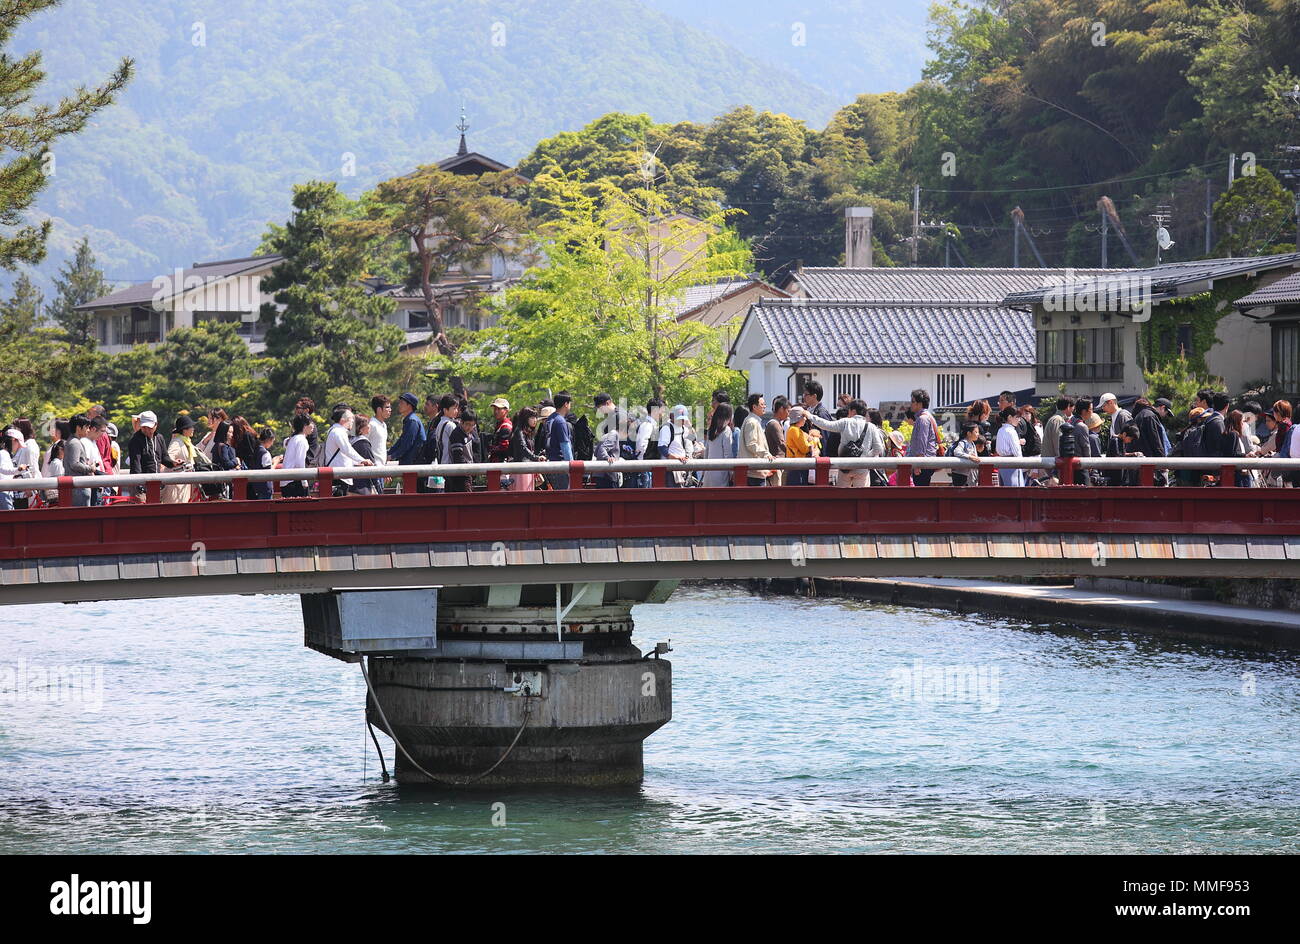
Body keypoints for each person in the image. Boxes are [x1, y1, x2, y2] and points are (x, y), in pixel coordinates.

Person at [807, 399, 874, 488]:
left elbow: (826, 425)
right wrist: (866, 457)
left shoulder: (846, 422)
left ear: (853, 411)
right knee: (862, 496)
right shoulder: (871, 426)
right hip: (862, 467)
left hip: (845, 466)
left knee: (842, 497)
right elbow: (878, 448)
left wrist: (810, 416)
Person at [323, 407, 373, 495]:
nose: (353, 421)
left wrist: (356, 462)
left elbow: (344, 453)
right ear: (343, 420)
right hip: (339, 476)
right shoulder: (338, 432)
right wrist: (362, 460)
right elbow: (347, 450)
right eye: (351, 419)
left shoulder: (335, 431)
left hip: (339, 474)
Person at [905, 389, 941, 485]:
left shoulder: (922, 419)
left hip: (923, 464)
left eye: (913, 402)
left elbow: (921, 442)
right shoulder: (928, 416)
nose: (911, 404)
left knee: (920, 494)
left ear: (919, 404)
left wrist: (918, 464)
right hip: (926, 463)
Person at [738, 393, 773, 486]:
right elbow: (751, 444)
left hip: (753, 470)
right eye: (762, 404)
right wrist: (766, 454)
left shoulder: (751, 420)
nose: (765, 406)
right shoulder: (752, 422)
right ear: (754, 406)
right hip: (754, 472)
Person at [388, 392, 427, 474]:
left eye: (402, 403)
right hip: (410, 463)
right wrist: (389, 453)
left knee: (411, 486)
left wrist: (392, 456)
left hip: (413, 464)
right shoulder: (409, 419)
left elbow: (407, 443)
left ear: (409, 405)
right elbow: (401, 441)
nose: (399, 405)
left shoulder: (412, 421)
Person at [163, 416, 197, 504]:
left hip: (183, 484)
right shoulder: (177, 442)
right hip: (176, 485)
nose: (193, 429)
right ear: (184, 430)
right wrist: (175, 462)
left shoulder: (186, 441)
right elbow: (169, 458)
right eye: (191, 427)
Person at [784, 406, 821, 485]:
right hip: (796, 466)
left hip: (797, 465)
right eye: (803, 417)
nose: (805, 419)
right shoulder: (794, 430)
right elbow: (805, 448)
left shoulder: (796, 429)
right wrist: (815, 440)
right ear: (798, 418)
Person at [544, 394, 574, 489]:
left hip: (551, 463)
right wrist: (572, 466)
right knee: (564, 498)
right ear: (566, 404)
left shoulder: (550, 418)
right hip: (561, 465)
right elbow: (565, 446)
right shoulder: (560, 421)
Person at [702, 402, 735, 487]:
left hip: (708, 472)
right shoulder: (726, 430)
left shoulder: (711, 429)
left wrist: (704, 470)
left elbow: (706, 452)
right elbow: (728, 454)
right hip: (721, 474)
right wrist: (732, 473)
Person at [445, 411, 479, 493]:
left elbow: (477, 452)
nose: (469, 427)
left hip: (470, 471)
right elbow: (458, 457)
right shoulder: (456, 434)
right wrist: (467, 472)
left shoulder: (472, 433)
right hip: (460, 474)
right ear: (461, 422)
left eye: (472, 425)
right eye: (467, 424)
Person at [281, 413, 314, 497]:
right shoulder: (302, 440)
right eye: (311, 423)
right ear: (304, 426)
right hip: (295, 481)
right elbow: (299, 462)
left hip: (286, 481)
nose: (313, 426)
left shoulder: (293, 439)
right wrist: (304, 481)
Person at [509, 407, 540, 492]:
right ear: (525, 418)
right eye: (532, 417)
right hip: (521, 470)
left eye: (536, 417)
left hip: (527, 468)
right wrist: (536, 458)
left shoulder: (528, 432)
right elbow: (523, 448)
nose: (535, 420)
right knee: (523, 494)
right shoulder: (519, 432)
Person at [592, 410, 623, 489]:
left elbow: (596, 453)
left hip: (601, 475)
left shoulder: (606, 435)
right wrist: (607, 457)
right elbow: (602, 449)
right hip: (608, 475)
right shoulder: (613, 433)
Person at [995, 406, 1024, 486]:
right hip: (1012, 464)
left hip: (1002, 464)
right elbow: (1017, 452)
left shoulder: (1000, 430)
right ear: (1010, 417)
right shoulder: (1011, 431)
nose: (1019, 420)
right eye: (1017, 417)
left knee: (1004, 493)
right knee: (1016, 492)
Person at [764, 396, 790, 486]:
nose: (788, 413)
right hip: (776, 465)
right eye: (788, 410)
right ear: (781, 409)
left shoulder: (774, 423)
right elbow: (782, 443)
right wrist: (794, 453)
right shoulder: (774, 424)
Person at [349, 414, 377, 494]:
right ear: (360, 429)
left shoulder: (350, 440)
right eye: (367, 424)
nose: (369, 426)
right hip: (362, 487)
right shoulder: (363, 443)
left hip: (350, 484)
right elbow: (371, 465)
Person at [1042, 396, 1074, 461]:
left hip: (1050, 461)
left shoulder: (1055, 418)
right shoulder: (1058, 420)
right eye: (1073, 407)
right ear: (1068, 406)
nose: (1073, 410)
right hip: (1052, 463)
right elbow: (1058, 444)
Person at [250, 428, 276, 499]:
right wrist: (276, 462)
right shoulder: (265, 453)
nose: (272, 444)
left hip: (256, 487)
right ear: (269, 440)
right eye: (272, 441)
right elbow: (269, 472)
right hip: (265, 489)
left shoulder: (256, 450)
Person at [487, 397, 513, 466]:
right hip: (497, 463)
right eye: (495, 409)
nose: (496, 411)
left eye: (499, 409)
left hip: (502, 464)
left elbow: (504, 447)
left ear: (506, 411)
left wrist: (490, 448)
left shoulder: (505, 426)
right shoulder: (500, 424)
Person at [368, 395, 392, 468]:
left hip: (382, 467)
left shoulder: (384, 425)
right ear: (379, 409)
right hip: (372, 468)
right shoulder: (371, 424)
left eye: (390, 407)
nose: (390, 409)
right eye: (387, 407)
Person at [41, 440, 65, 506]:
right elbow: (60, 479)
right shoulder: (57, 463)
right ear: (61, 450)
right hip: (56, 495)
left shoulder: (55, 461)